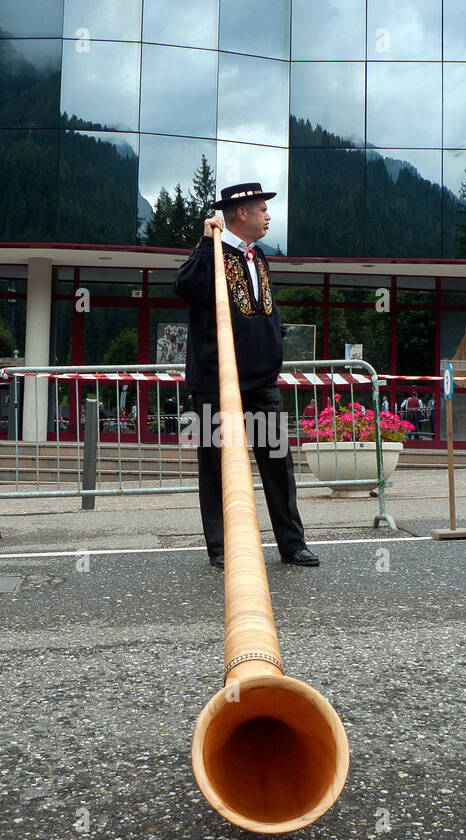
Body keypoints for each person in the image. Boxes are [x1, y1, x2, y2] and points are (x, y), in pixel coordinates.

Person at [174, 182, 318, 569]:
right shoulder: (213, 254)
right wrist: (207, 243)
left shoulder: (259, 258)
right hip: (215, 384)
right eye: (261, 209)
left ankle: (292, 544)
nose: (268, 216)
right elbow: (184, 288)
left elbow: (264, 313)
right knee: (217, 467)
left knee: (277, 464)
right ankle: (221, 547)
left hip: (260, 384)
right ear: (241, 213)